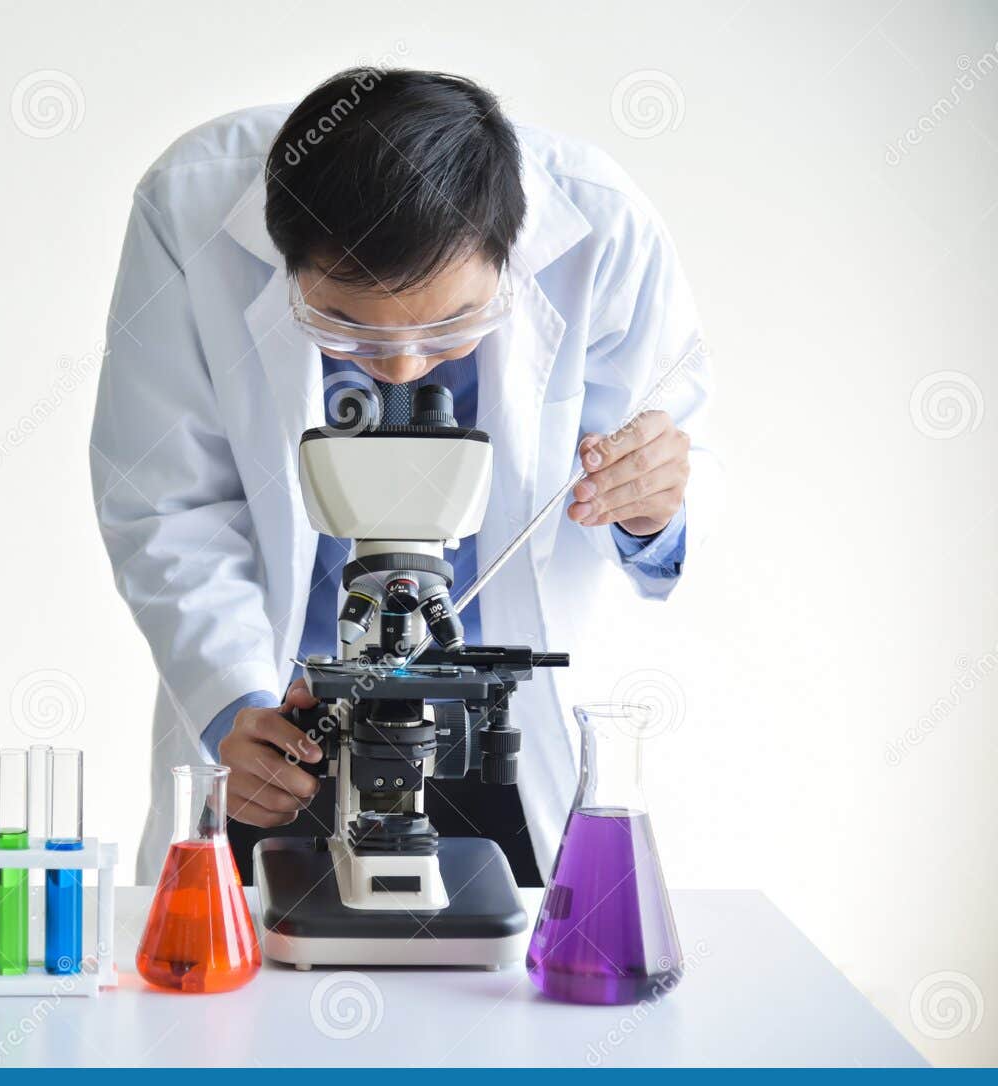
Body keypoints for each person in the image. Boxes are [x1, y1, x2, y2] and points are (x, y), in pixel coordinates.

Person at [90, 68, 721, 887]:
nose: (401, 365)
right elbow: (166, 501)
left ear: (509, 253)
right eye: (342, 327)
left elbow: (669, 458)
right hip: (281, 726)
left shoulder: (603, 229)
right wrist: (228, 703)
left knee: (515, 990)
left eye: (450, 324)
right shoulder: (192, 206)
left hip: (495, 742)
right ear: (285, 258)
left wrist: (650, 507)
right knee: (243, 997)